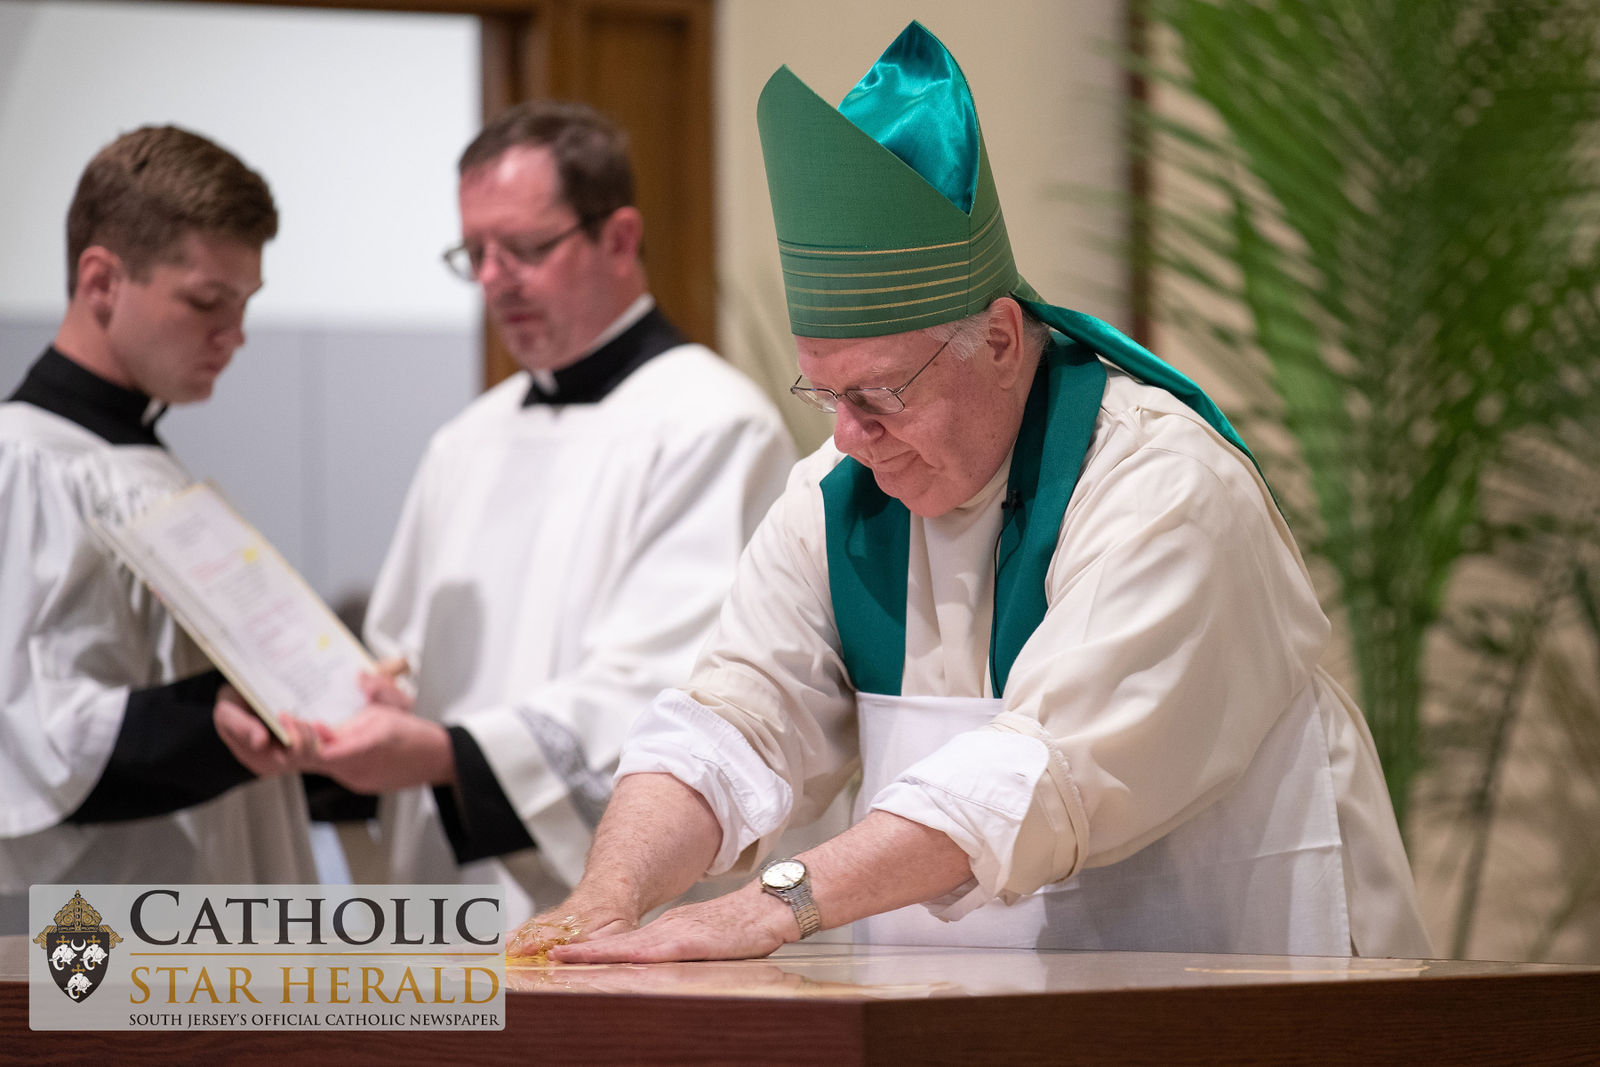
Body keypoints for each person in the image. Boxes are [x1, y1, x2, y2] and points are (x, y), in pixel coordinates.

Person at [511, 22, 1435, 962]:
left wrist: (767, 905)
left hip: (1253, 986)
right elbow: (734, 722)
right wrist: (607, 895)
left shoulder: (1162, 487)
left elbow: (1035, 775)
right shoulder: (834, 497)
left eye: (876, 393)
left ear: (998, 337)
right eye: (824, 393)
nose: (845, 434)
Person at [302, 101, 796, 921]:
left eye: (527, 248)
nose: (495, 279)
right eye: (476, 253)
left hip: (633, 912)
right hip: (453, 901)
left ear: (620, 237)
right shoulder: (466, 442)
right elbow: (402, 658)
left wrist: (447, 754)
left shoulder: (714, 424)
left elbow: (674, 692)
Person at [0, 125, 317, 932]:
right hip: (91, 943)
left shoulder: (146, 466)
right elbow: (25, 732)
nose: (233, 336)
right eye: (208, 302)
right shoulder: (25, 464)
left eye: (244, 306)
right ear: (101, 279)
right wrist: (212, 720)